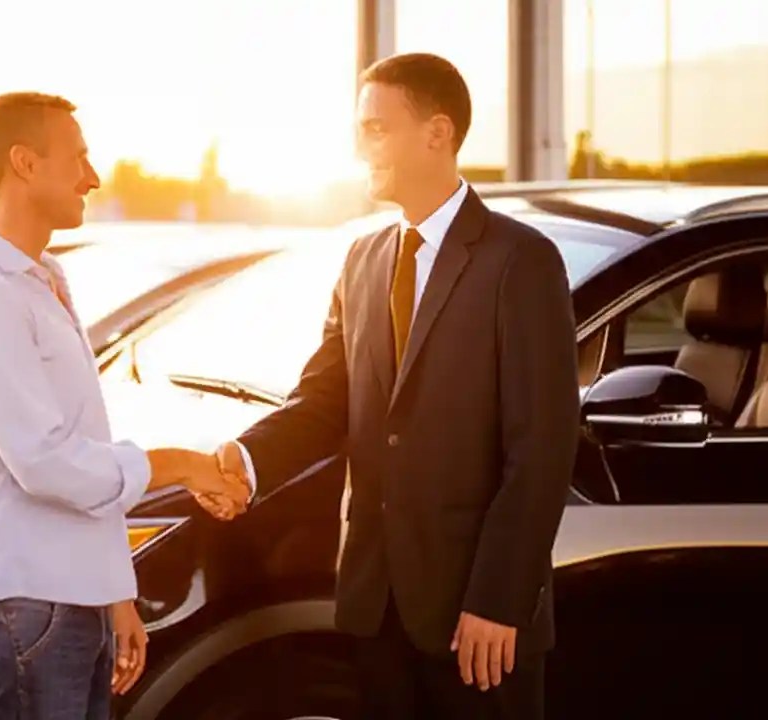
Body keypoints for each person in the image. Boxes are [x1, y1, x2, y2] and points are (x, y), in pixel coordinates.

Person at [206, 53, 579, 718]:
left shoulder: (520, 262)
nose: (359, 147)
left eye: (376, 128)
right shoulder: (364, 258)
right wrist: (244, 458)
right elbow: (322, 401)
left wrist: (497, 600)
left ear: (437, 133)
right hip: (377, 609)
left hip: (478, 622)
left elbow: (542, 452)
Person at [0, 91, 249, 719]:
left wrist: (114, 592)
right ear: (24, 163)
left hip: (65, 601)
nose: (93, 177)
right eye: (77, 158)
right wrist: (181, 465)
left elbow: (82, 446)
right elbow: (46, 464)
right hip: (24, 605)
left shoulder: (42, 279)